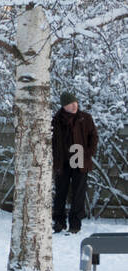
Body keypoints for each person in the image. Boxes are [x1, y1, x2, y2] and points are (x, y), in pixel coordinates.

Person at [52, 91, 98, 235]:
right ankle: (59, 222)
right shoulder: (56, 120)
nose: (73, 106)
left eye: (75, 103)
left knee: (78, 193)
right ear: (64, 106)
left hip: (80, 160)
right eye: (69, 104)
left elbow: (94, 137)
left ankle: (75, 224)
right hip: (62, 161)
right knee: (60, 193)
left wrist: (88, 153)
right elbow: (51, 141)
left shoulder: (85, 118)